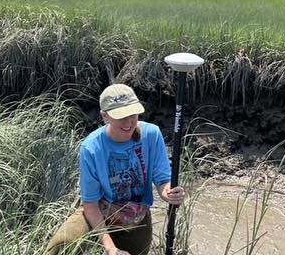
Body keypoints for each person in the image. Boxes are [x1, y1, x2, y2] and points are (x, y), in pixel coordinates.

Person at [43, 83, 185, 253]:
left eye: (133, 114)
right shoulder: (91, 148)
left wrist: (169, 193)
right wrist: (111, 248)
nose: (129, 122)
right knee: (61, 245)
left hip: (136, 216)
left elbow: (162, 180)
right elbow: (90, 205)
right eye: (121, 116)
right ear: (105, 116)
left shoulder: (151, 135)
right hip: (101, 210)